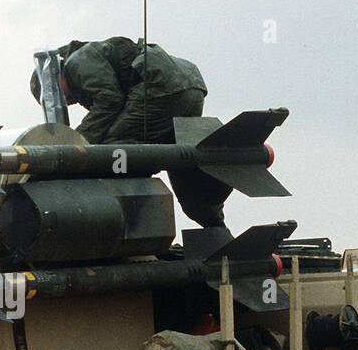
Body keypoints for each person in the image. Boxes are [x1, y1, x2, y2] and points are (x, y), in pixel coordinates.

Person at [31, 36, 229, 228]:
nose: (67, 101)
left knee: (113, 152)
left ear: (55, 79)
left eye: (61, 96)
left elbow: (109, 101)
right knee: (180, 164)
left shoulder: (78, 62)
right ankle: (214, 224)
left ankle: (132, 223)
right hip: (187, 86)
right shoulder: (85, 63)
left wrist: (75, 146)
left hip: (158, 86)